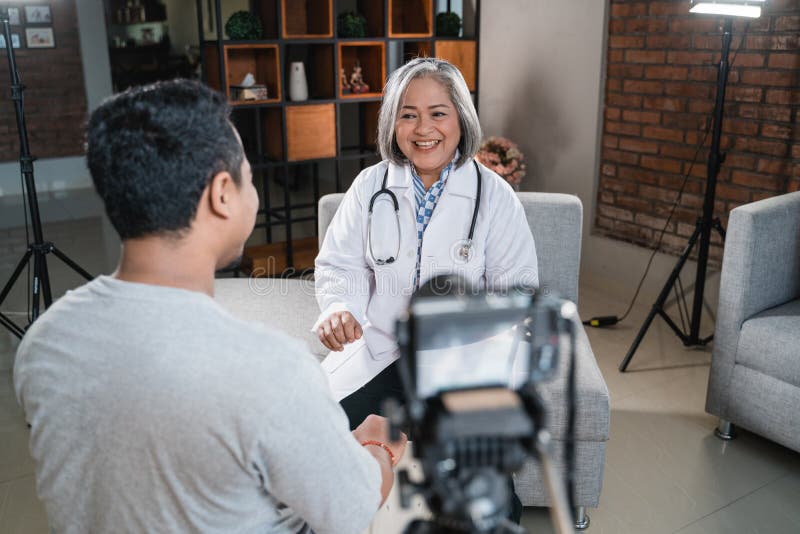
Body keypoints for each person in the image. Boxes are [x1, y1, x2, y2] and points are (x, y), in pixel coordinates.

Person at [14, 79, 406, 534]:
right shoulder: (270, 367)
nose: (253, 192)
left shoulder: (43, 343)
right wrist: (378, 448)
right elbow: (350, 512)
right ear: (222, 194)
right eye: (250, 178)